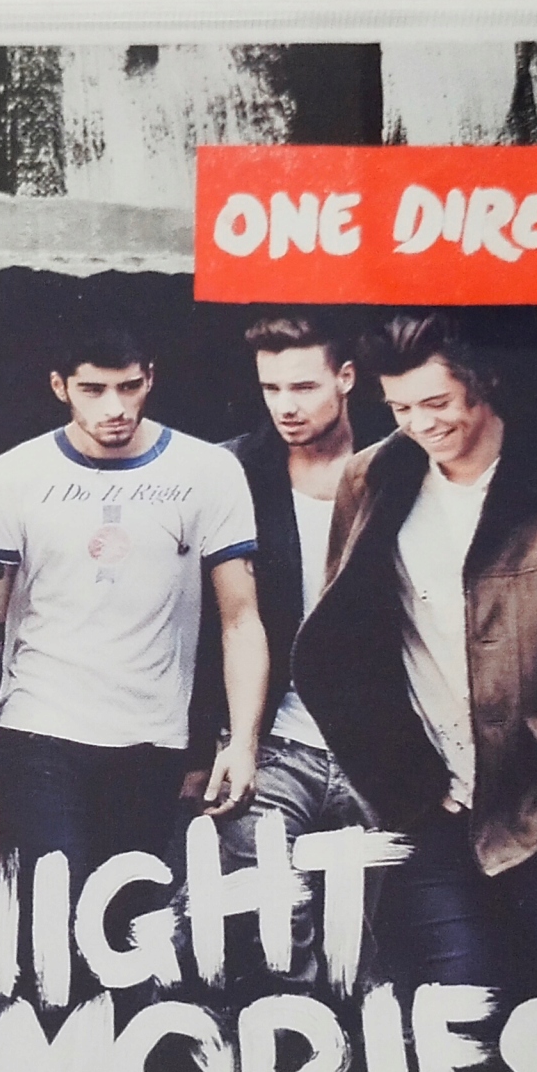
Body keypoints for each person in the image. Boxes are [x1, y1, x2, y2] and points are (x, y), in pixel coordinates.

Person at [293, 313, 537, 1005]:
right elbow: (350, 640)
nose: (420, 424)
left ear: (483, 385)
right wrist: (396, 783)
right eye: (400, 408)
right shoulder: (373, 477)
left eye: (437, 403)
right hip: (429, 800)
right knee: (460, 1009)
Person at [0, 323, 266, 909]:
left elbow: (241, 619)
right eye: (93, 390)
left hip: (152, 736)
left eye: (129, 387)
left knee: (126, 931)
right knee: (46, 927)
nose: (115, 408)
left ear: (150, 378)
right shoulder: (13, 475)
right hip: (39, 727)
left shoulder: (208, 472)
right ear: (60, 387)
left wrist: (241, 743)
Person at [187, 313, 377, 992]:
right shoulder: (233, 470)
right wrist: (210, 744)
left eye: (303, 386)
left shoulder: (400, 466)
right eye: (271, 388)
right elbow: (204, 622)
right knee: (263, 938)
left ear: (346, 378)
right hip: (271, 742)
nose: (286, 406)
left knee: (368, 953)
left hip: (379, 748)